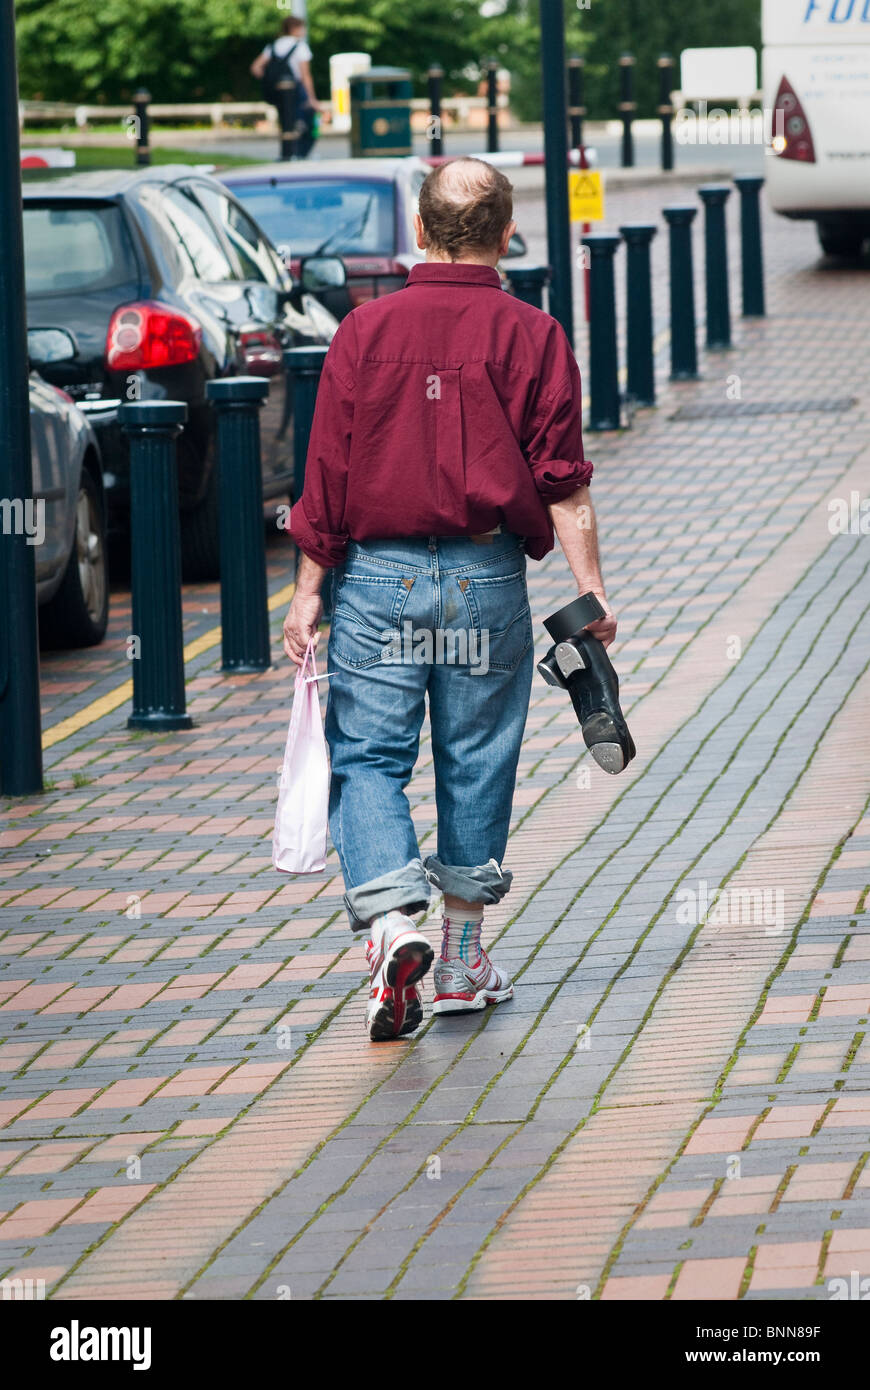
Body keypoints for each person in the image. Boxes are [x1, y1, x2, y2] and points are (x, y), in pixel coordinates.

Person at [283, 157, 616, 1042]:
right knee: (477, 755)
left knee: (368, 757)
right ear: (507, 236)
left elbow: (327, 471)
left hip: (380, 579)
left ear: (420, 233)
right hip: (484, 574)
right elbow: (563, 481)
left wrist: (308, 591)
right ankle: (465, 963)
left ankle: (394, 923)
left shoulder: (362, 332)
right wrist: (590, 593)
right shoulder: (535, 335)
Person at [250, 15, 322, 158]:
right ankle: (300, 154)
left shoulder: (274, 46)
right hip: (296, 91)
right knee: (307, 123)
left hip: (278, 93)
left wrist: (270, 81)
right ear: (294, 28)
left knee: (285, 124)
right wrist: (312, 98)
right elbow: (305, 75)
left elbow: (255, 68)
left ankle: (287, 154)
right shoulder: (300, 46)